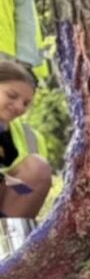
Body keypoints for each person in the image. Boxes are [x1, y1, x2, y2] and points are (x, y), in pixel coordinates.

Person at [0, 56, 49, 244]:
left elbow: (31, 188)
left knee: (37, 167)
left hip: (8, 210)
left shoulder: (31, 137)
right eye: (12, 96)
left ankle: (11, 246)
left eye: (26, 103)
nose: (19, 107)